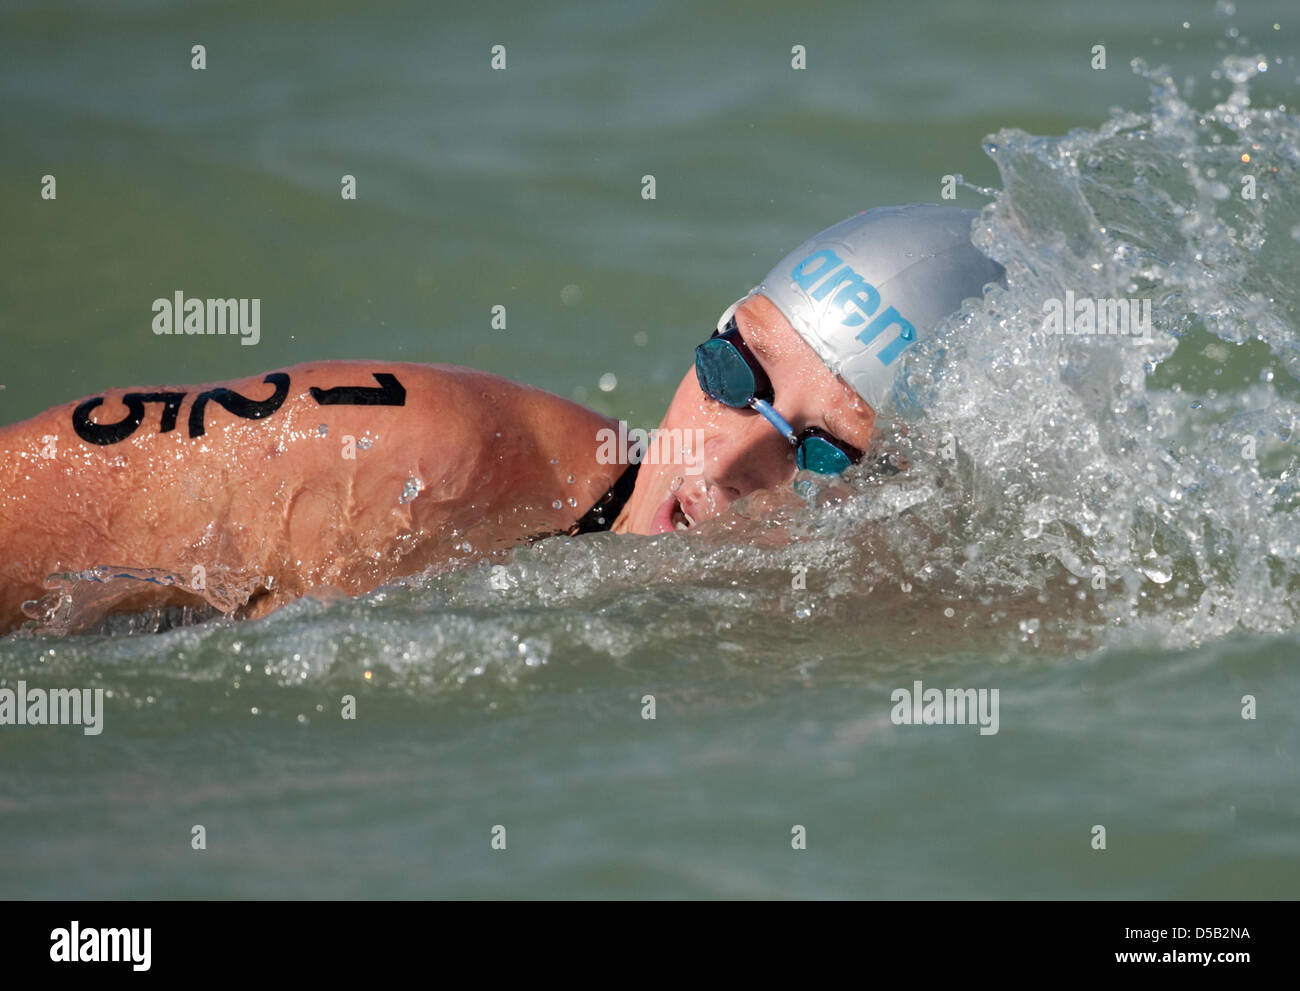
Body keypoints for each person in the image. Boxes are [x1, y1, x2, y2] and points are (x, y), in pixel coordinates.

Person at [0, 204, 1004, 633]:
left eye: (824, 451)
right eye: (731, 368)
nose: (728, 453)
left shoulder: (913, 614)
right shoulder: (423, 459)